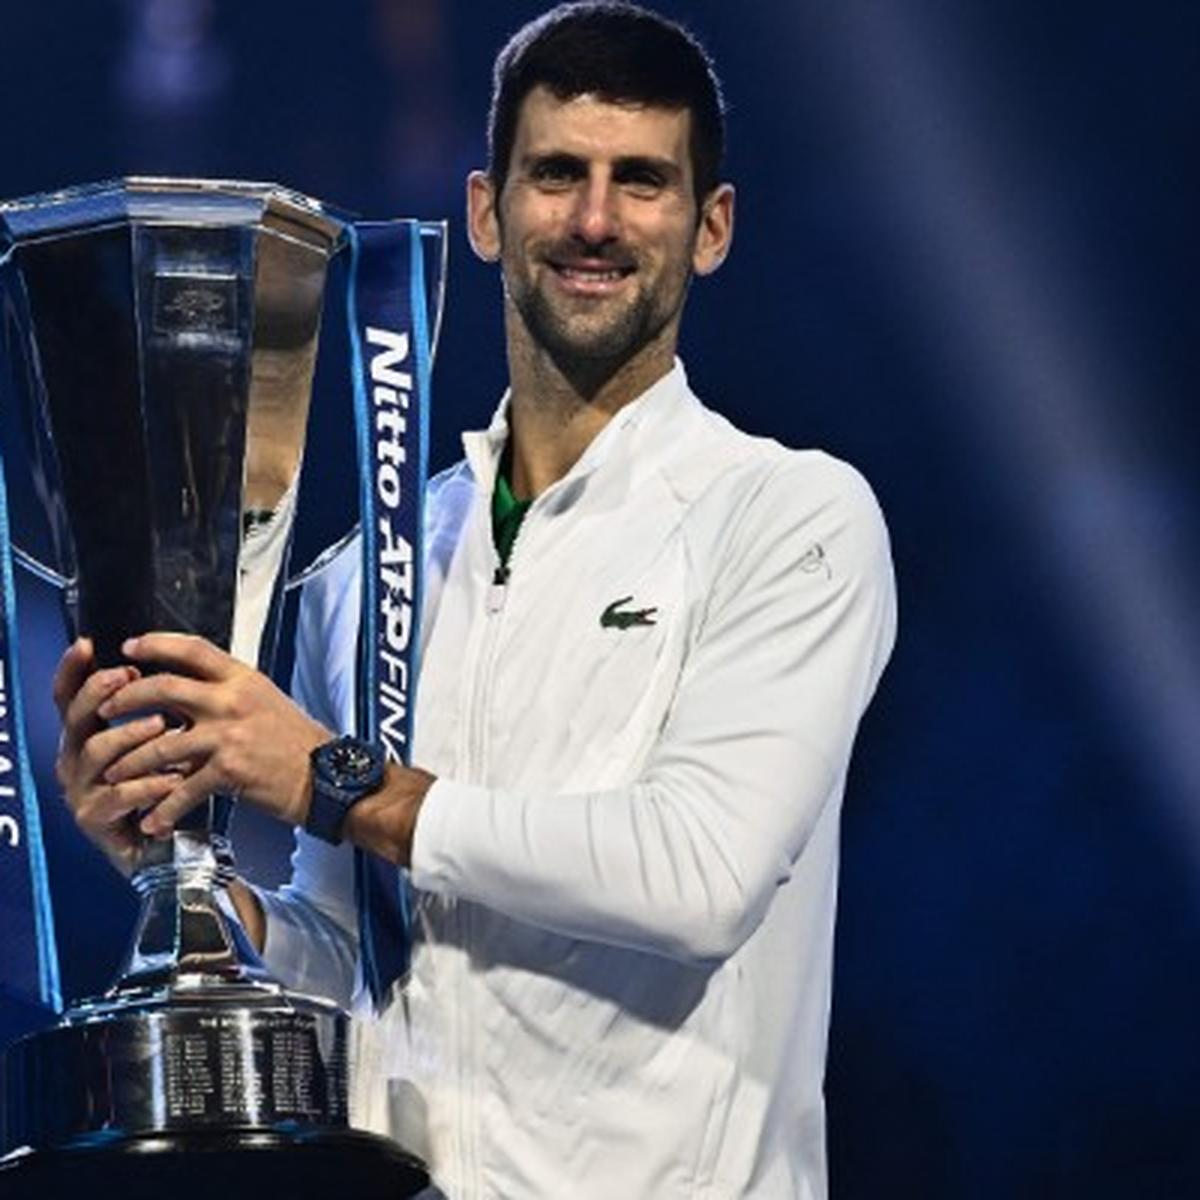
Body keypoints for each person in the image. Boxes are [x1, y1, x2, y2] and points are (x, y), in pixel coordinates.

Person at [53, 3, 896, 1196]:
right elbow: (357, 966)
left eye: (640, 181)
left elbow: (698, 874)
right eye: (556, 174)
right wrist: (194, 886)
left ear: (711, 228)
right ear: (485, 214)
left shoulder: (788, 517)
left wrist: (334, 781)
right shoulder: (368, 576)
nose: (595, 220)